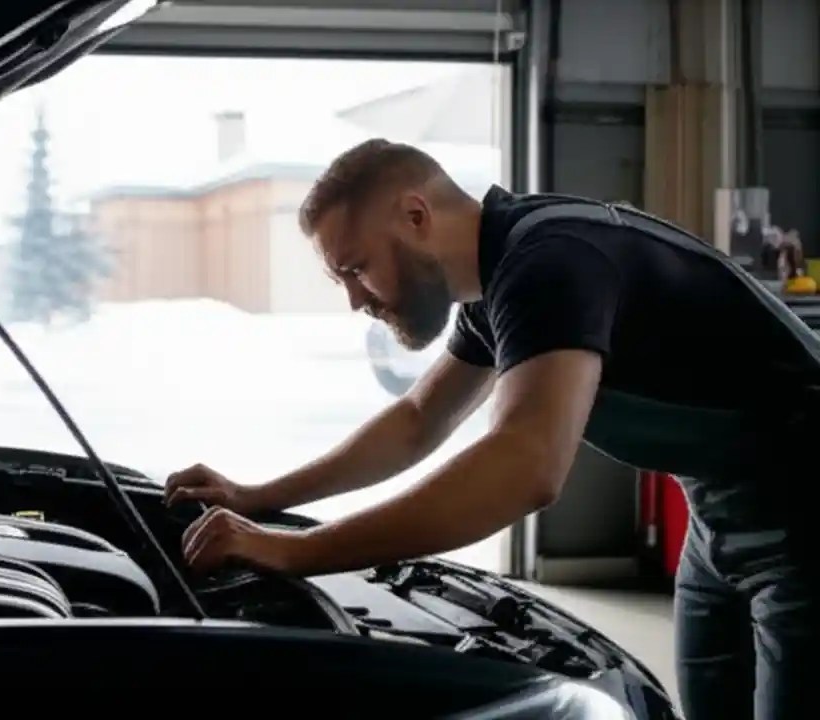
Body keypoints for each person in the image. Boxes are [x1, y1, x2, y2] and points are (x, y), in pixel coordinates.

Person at [163, 139, 816, 719]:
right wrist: (258, 499)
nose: (355, 301)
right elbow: (418, 421)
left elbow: (525, 467)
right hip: (721, 514)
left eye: (356, 268)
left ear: (416, 216)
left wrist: (296, 551)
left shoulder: (550, 261)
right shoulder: (498, 279)